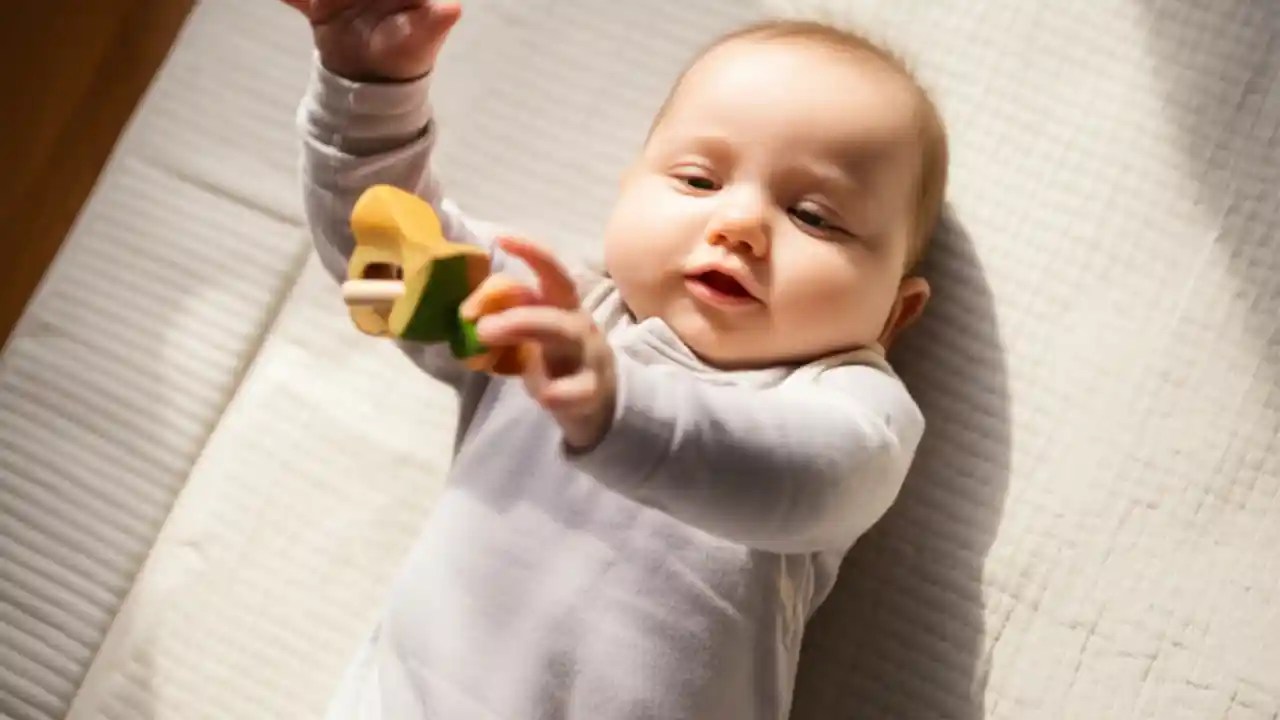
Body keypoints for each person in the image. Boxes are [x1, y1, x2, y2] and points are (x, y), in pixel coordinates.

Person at [282, 1, 948, 716]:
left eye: (814, 216)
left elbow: (811, 481)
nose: (740, 226)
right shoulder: (548, 315)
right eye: (698, 181)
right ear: (626, 191)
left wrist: (619, 408)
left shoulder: (845, 407)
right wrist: (368, 90)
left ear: (893, 315)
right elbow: (386, 253)